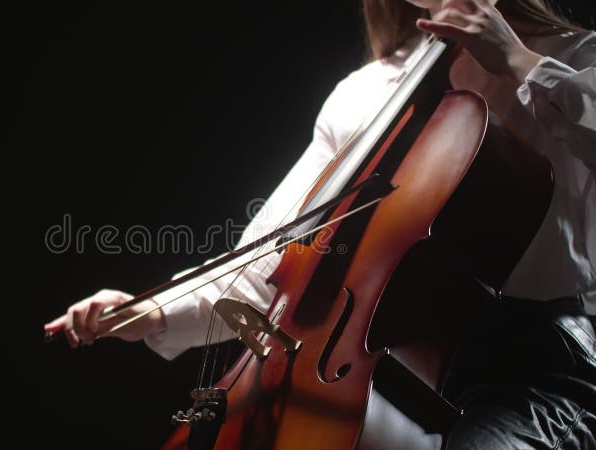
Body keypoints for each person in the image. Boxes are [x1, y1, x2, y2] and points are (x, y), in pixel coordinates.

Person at [46, 0, 596, 448]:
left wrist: (521, 63)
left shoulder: (572, 59)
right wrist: (151, 310)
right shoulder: (368, 92)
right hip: (402, 380)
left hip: (543, 375)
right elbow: (274, 256)